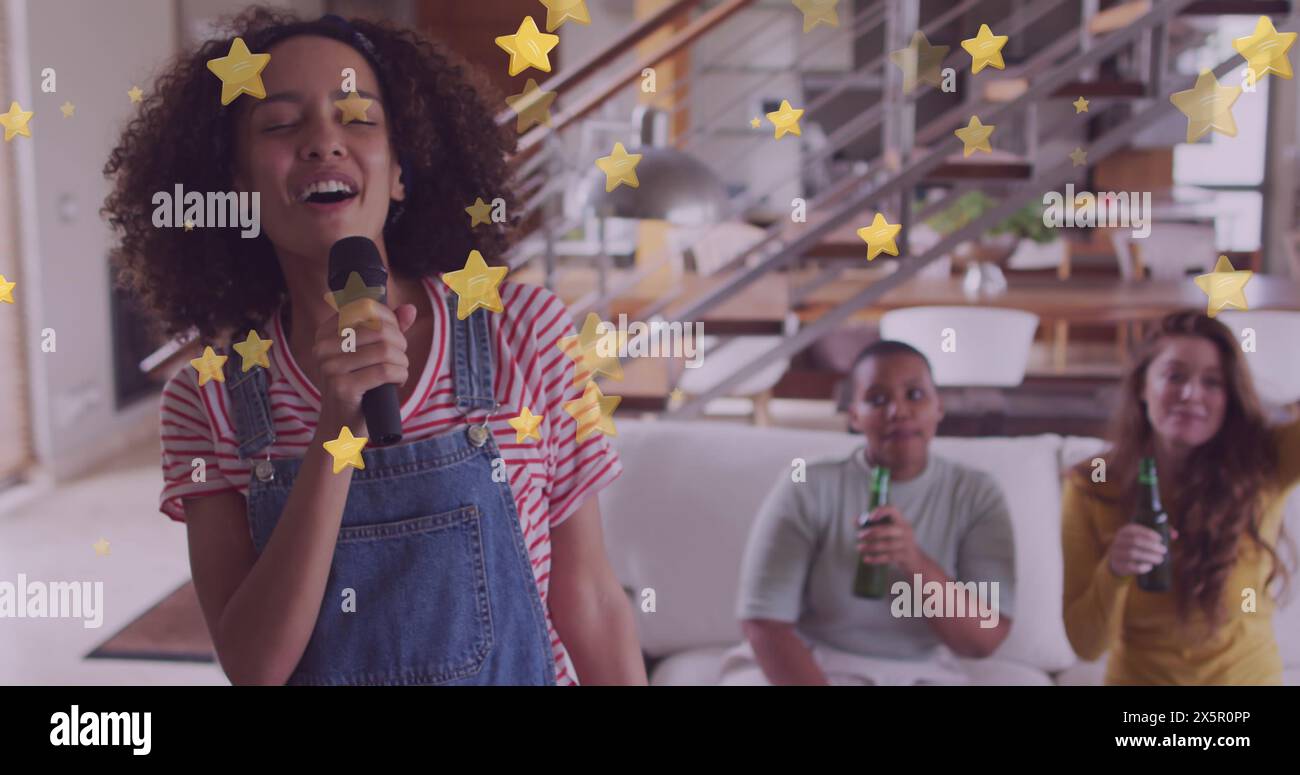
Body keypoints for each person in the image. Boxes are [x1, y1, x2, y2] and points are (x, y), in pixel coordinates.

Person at [103, 7, 645, 685]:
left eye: (357, 117)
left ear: (399, 172)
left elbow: (591, 599)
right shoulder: (207, 400)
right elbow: (252, 666)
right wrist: (337, 425)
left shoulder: (527, 332)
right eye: (281, 124)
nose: (323, 143)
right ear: (240, 188)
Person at [725, 340, 1016, 685]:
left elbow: (984, 640)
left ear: (938, 407)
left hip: (921, 671)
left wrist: (913, 561)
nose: (898, 411)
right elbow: (764, 623)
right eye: (877, 399)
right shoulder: (807, 484)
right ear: (854, 416)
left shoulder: (977, 494)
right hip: (815, 662)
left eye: (915, 395)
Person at [1062, 311, 1295, 684]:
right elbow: (1085, 646)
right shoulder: (1093, 486)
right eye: (1174, 376)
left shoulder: (1265, 462)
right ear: (1142, 387)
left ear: (1230, 396)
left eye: (1213, 382)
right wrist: (1115, 570)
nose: (1190, 394)